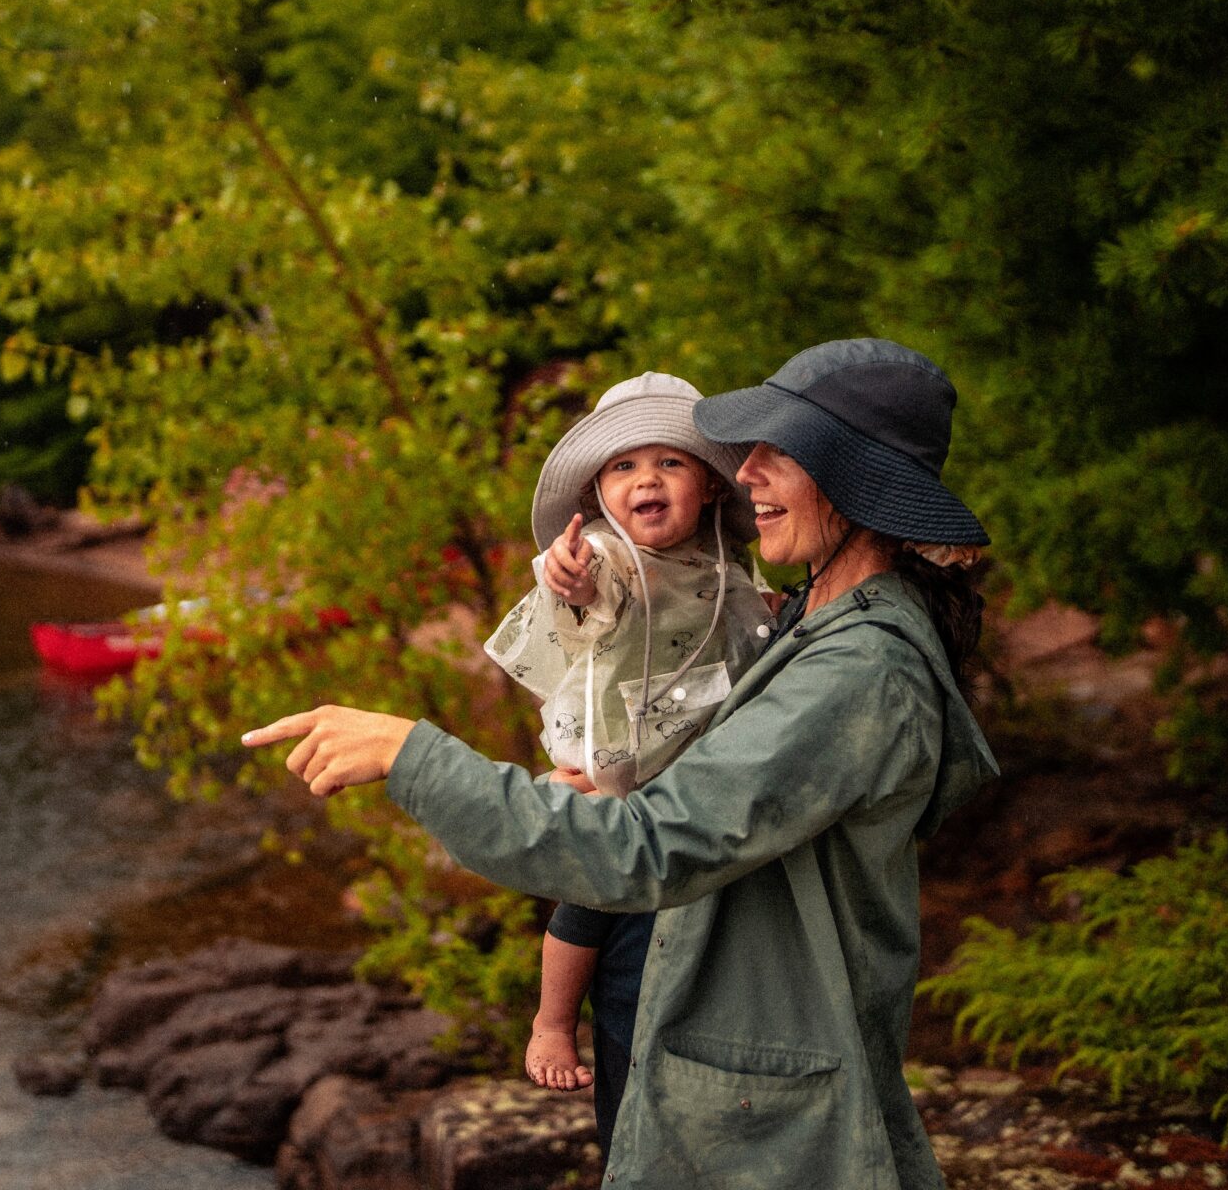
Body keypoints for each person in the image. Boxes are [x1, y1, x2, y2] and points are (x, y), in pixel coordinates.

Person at [244, 338, 1000, 1188]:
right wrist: (572, 793)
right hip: (743, 1096)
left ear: (850, 478)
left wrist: (412, 756)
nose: (745, 473)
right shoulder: (809, 622)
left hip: (772, 1133)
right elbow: (689, 790)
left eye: (776, 452)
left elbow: (650, 847)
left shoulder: (858, 670)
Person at [481, 373, 771, 1109]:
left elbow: (744, 634)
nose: (647, 479)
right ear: (597, 499)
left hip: (693, 763)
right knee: (592, 896)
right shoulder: (612, 558)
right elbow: (581, 589)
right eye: (624, 467)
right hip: (618, 761)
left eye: (670, 463)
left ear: (708, 486)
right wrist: (567, 577)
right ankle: (551, 1023)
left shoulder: (722, 565)